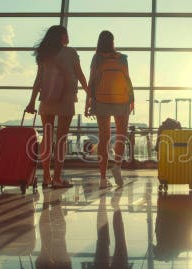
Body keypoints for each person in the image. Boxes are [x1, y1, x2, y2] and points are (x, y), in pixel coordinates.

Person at [25, 25, 90, 189]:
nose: (68, 37)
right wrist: (90, 94)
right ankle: (57, 178)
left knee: (47, 138)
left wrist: (32, 101)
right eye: (66, 34)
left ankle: (46, 177)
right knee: (61, 139)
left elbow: (38, 80)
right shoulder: (71, 52)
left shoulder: (44, 54)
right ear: (61, 36)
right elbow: (80, 75)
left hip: (46, 98)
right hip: (66, 98)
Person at [87, 31, 134, 189]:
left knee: (104, 137)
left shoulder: (97, 58)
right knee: (121, 134)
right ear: (113, 42)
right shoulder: (122, 58)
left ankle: (102, 178)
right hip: (121, 100)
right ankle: (117, 166)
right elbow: (127, 79)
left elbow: (92, 80)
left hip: (101, 100)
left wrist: (89, 101)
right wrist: (131, 100)